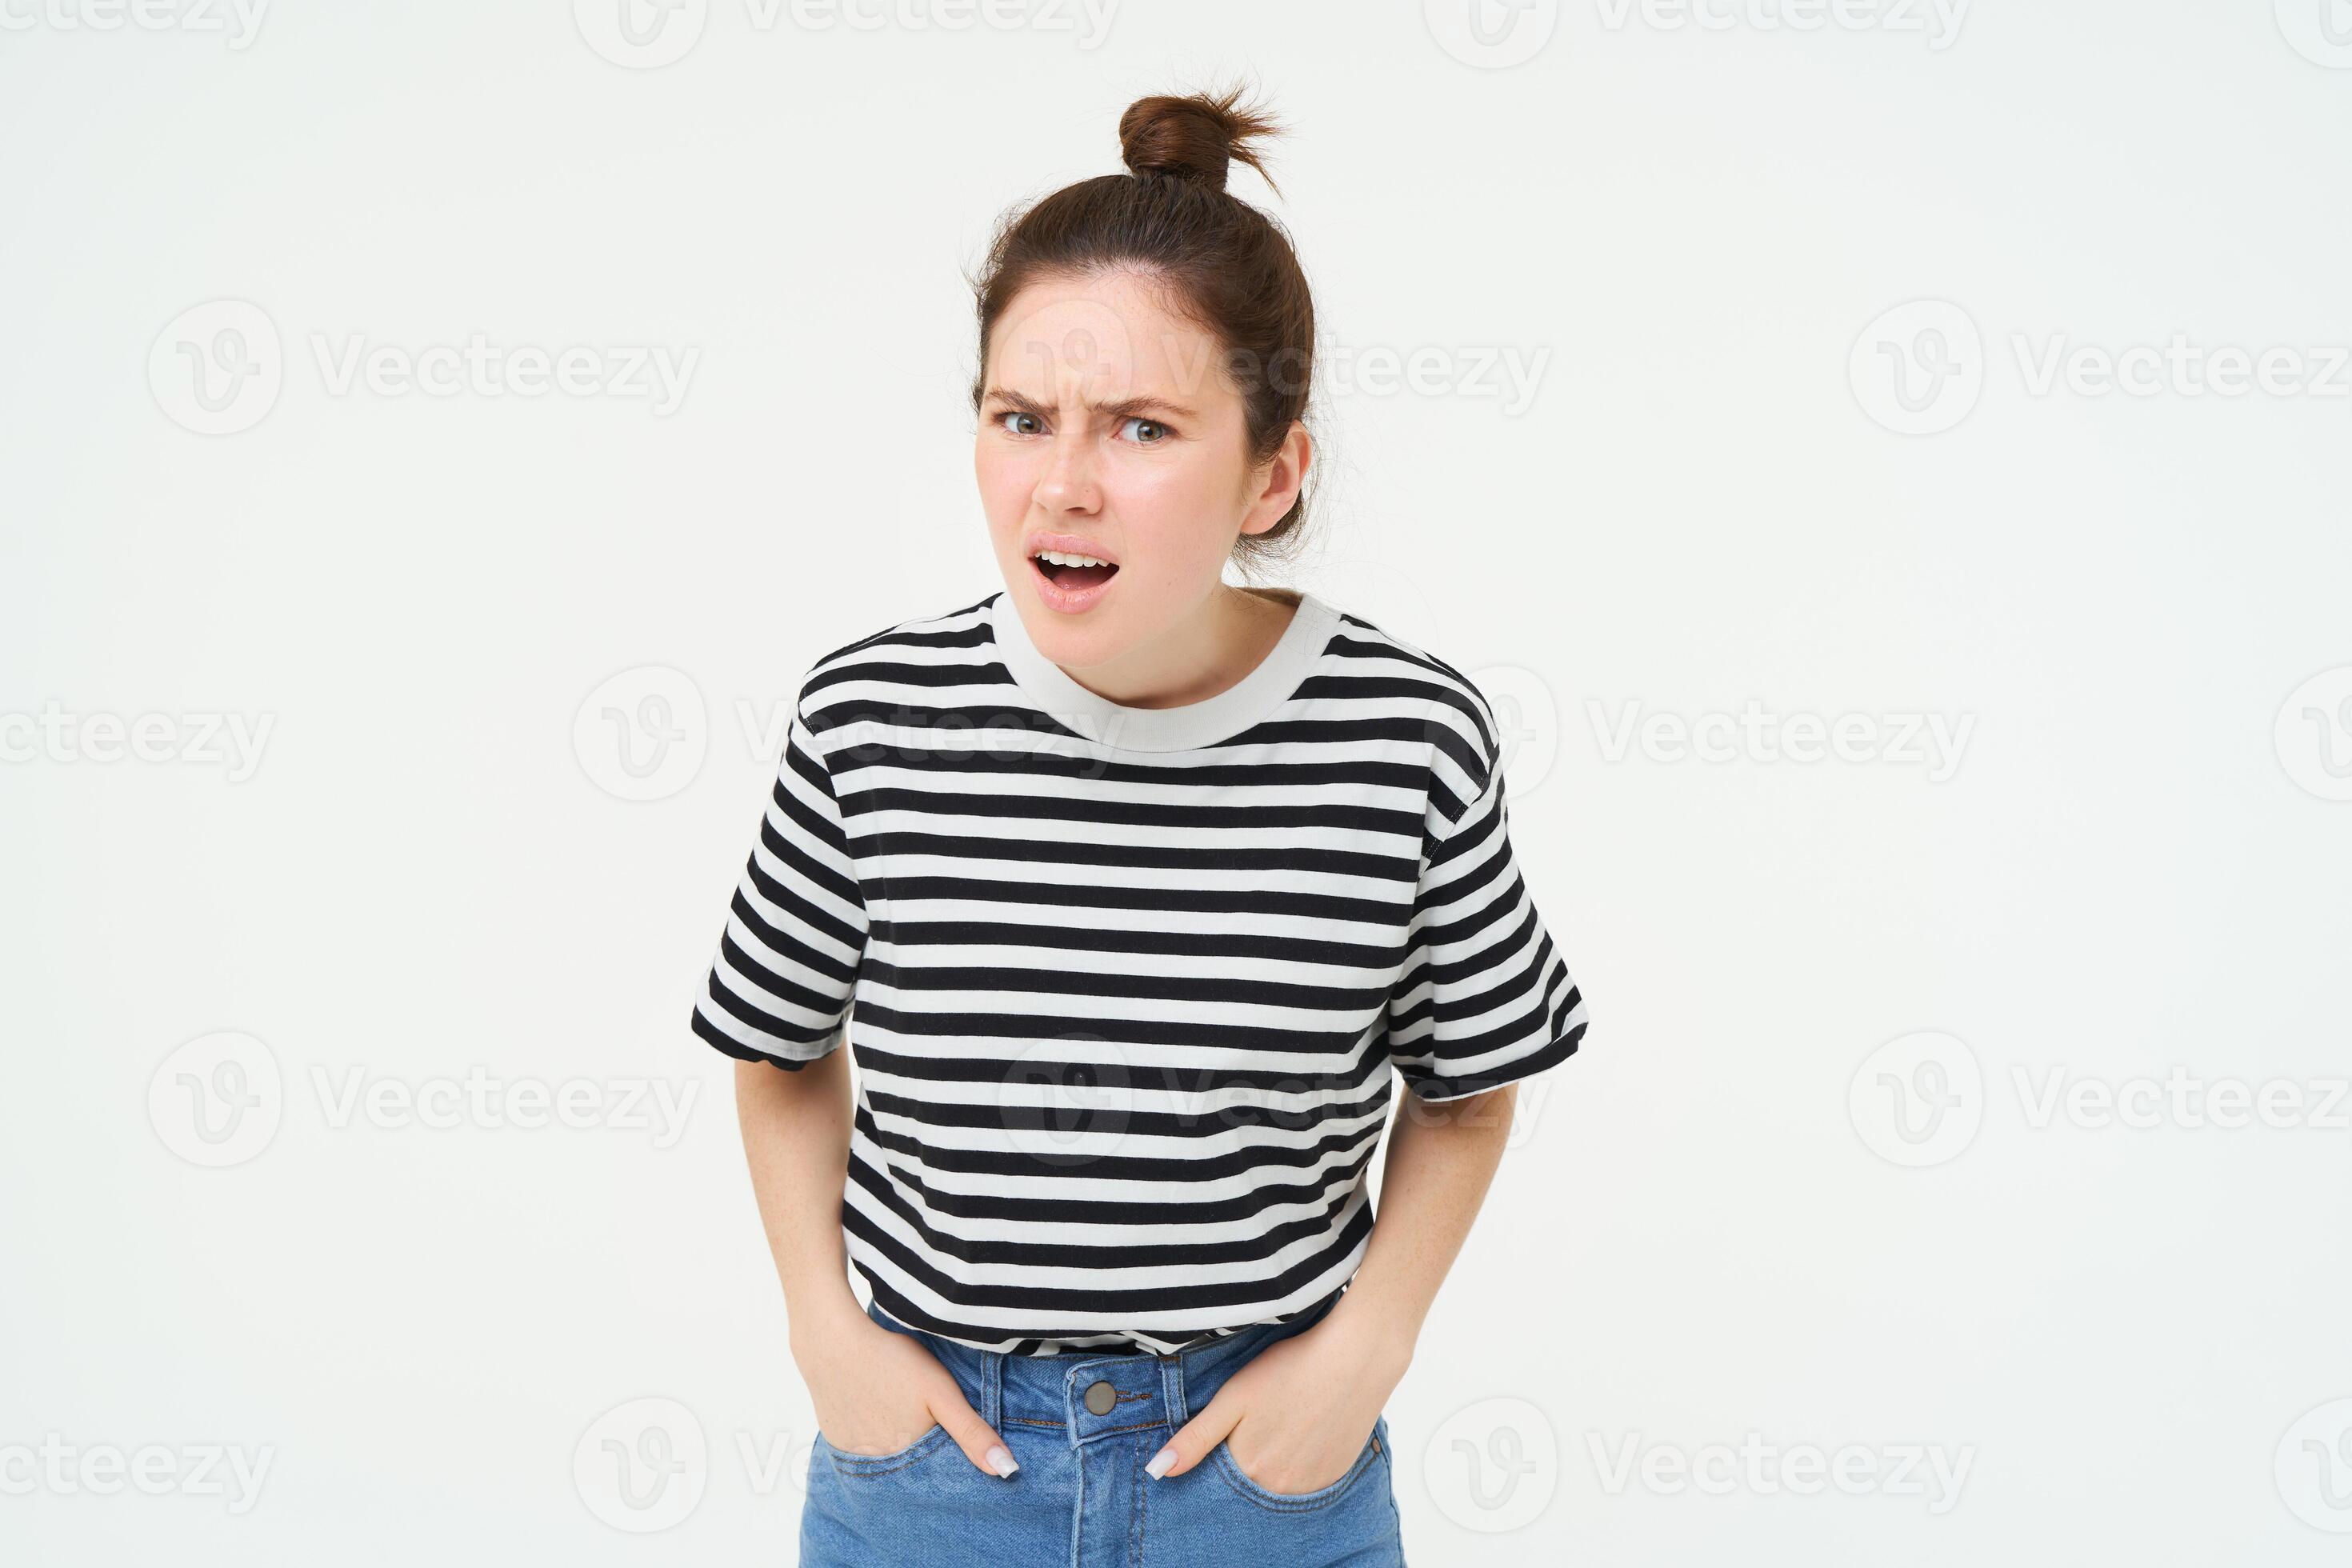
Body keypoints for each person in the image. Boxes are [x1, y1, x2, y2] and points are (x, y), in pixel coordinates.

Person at [691, 82, 1590, 1567]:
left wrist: (1362, 1360)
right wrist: (822, 1334)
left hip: (1264, 1475)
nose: (1063, 483)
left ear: (1271, 473)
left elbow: (1469, 1087)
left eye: (1143, 428)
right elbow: (777, 1051)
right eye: (1020, 418)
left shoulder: (1405, 738)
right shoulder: (870, 720)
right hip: (931, 1475)